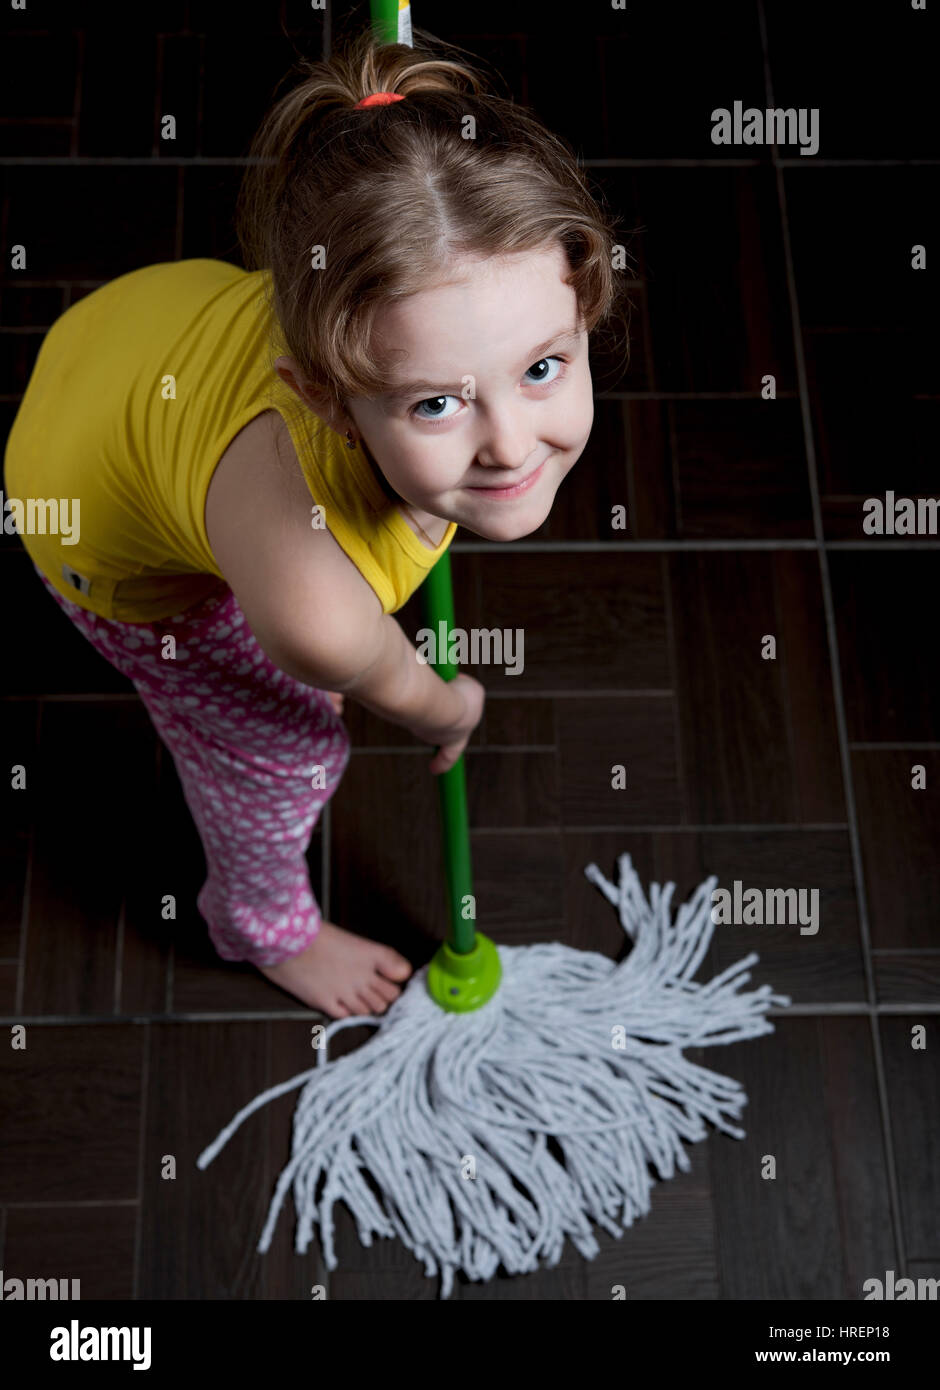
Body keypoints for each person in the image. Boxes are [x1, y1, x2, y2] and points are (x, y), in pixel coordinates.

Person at [3, 27, 624, 1018]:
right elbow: (390, 678)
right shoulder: (313, 602)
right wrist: (447, 706)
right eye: (438, 403)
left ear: (586, 303)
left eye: (542, 367)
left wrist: (430, 422)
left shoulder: (362, 309)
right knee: (287, 747)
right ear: (324, 396)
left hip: (123, 340)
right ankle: (260, 925)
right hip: (84, 522)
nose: (510, 444)